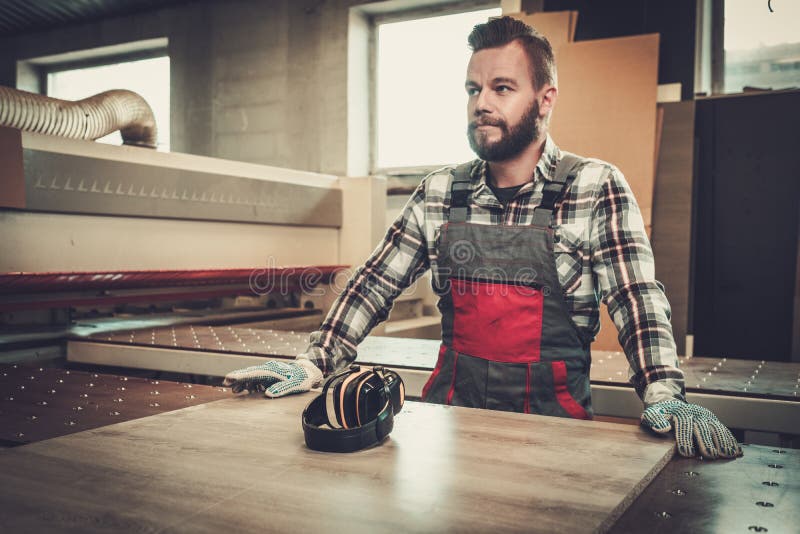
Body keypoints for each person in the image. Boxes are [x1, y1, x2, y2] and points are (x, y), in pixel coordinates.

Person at [225, 16, 742, 460]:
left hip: (555, 438)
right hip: (450, 432)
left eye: (502, 88)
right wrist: (315, 361)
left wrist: (662, 390)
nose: (481, 103)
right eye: (474, 89)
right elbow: (372, 284)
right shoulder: (440, 192)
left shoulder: (595, 186)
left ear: (545, 99)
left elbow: (636, 297)